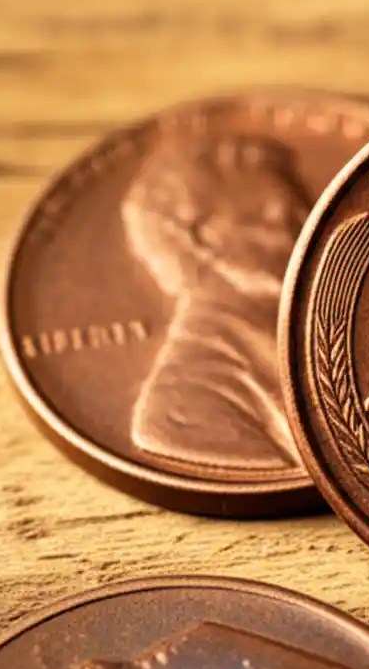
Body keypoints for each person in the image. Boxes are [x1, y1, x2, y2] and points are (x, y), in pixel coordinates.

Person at [121, 134, 307, 476]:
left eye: (303, 213)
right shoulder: (187, 402)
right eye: (271, 217)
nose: (308, 232)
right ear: (203, 239)